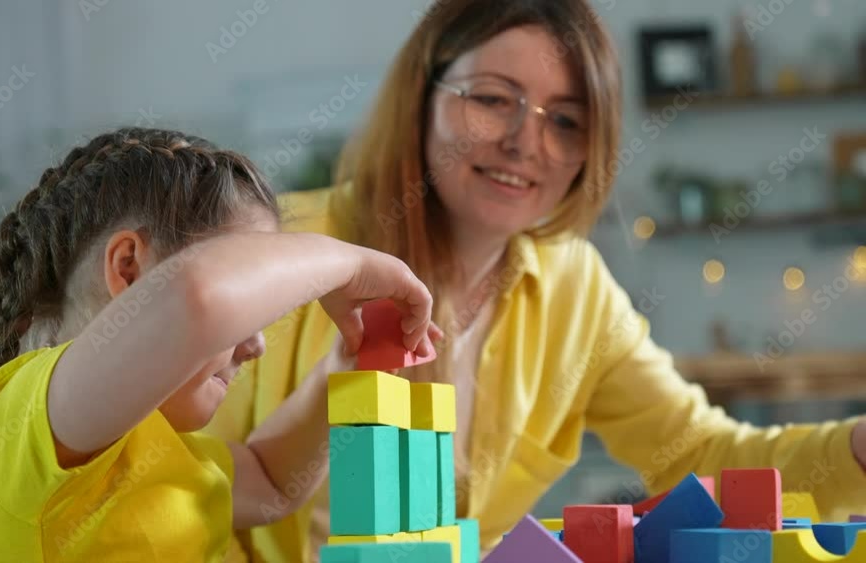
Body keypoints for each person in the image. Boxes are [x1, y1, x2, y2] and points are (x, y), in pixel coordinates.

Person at [204, 0, 866, 560]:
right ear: (421, 96)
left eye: (567, 121)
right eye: (493, 99)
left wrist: (857, 450)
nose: (527, 141)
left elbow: (699, 453)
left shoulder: (577, 288)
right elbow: (169, 482)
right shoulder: (277, 253)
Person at [0, 128, 438, 563]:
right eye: (248, 303)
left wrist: (346, 364)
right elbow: (197, 297)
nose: (256, 345)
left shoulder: (162, 449)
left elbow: (274, 481)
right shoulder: (23, 419)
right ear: (129, 269)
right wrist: (351, 264)